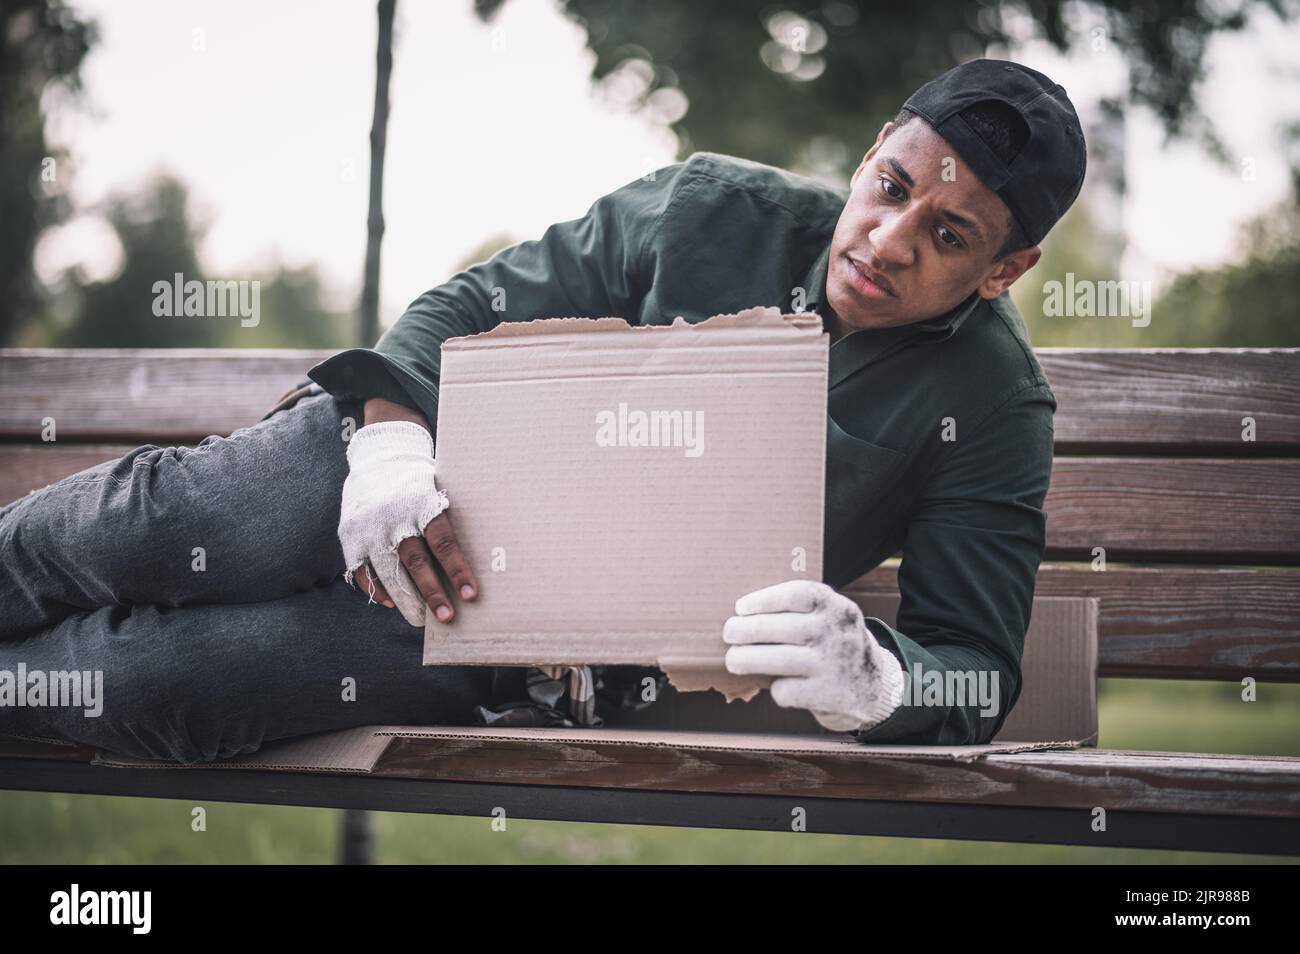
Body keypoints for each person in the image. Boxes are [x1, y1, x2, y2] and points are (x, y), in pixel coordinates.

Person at [0, 58, 1085, 762]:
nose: (887, 240)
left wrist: (877, 676)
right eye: (893, 188)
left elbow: (974, 666)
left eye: (948, 236)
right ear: (870, 156)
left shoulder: (995, 406)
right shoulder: (711, 209)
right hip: (414, 465)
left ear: (1007, 269)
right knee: (167, 524)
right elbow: (472, 302)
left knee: (167, 681)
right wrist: (386, 439)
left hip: (510, 634)